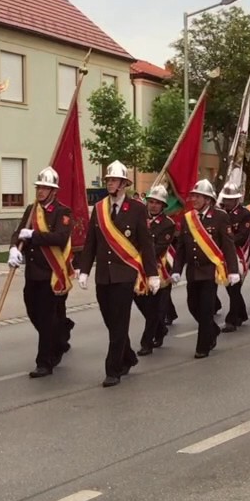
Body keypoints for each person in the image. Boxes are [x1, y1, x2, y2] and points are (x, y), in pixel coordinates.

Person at [78, 161, 159, 388]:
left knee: (120, 321)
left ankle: (113, 369)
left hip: (125, 274)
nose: (109, 183)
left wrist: (152, 274)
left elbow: (146, 243)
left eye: (113, 180)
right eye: (108, 180)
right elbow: (90, 242)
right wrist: (84, 269)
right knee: (110, 321)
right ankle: (129, 356)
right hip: (103, 275)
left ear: (124, 184)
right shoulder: (100, 208)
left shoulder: (137, 208)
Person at [11, 167, 73, 379]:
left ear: (53, 191)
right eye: (39, 187)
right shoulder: (31, 210)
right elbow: (19, 232)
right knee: (32, 311)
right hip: (32, 273)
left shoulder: (62, 212)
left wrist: (34, 235)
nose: (40, 191)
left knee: (46, 318)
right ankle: (58, 336)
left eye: (45, 188)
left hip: (50, 272)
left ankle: (44, 362)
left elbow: (60, 238)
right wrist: (13, 247)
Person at [172, 180, 240, 358]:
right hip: (193, 271)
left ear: (208, 199)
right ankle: (212, 329)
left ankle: (203, 346)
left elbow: (228, 245)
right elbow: (181, 248)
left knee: (205, 308)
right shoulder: (188, 218)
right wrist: (176, 270)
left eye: (198, 196)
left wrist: (233, 270)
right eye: (193, 196)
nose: (193, 199)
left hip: (210, 271)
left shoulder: (220, 216)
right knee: (192, 305)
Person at [136, 185, 176, 355]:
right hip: (138, 269)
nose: (153, 205)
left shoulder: (168, 224)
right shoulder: (139, 218)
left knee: (154, 308)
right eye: (151, 202)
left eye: (157, 203)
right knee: (140, 303)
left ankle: (147, 343)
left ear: (163, 206)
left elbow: (159, 248)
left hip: (159, 271)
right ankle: (159, 329)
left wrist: (139, 250)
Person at [217, 182, 250, 333]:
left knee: (233, 287)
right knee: (231, 287)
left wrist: (225, 240)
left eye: (230, 199)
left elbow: (242, 236)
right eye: (225, 199)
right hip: (222, 253)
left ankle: (231, 320)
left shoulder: (245, 214)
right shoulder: (220, 213)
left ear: (237, 200)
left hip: (238, 253)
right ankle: (241, 313)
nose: (227, 202)